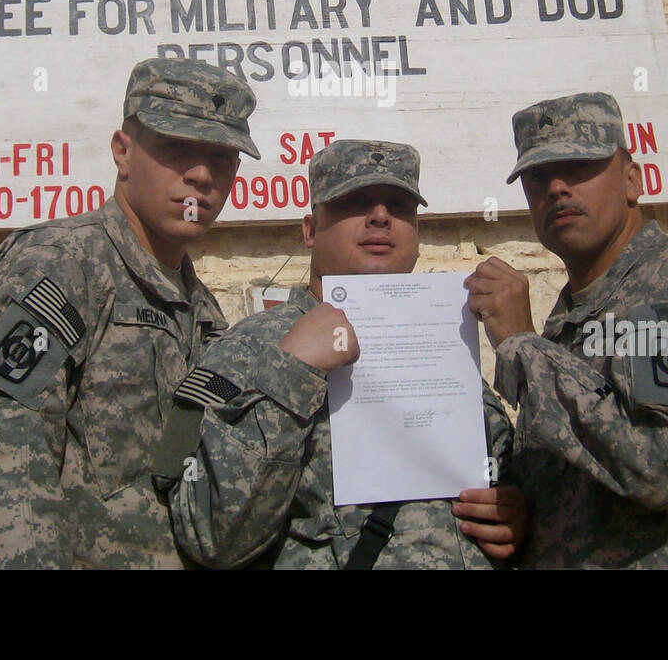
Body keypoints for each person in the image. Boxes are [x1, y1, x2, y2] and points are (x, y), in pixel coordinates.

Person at [154, 138, 525, 569]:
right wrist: (291, 372)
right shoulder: (244, 350)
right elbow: (211, 538)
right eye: (356, 202)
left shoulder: (449, 349)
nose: (381, 217)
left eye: (400, 207)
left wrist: (514, 511)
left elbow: (506, 477)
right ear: (310, 230)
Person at [0, 57, 258, 568]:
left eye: (222, 157)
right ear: (123, 151)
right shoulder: (63, 266)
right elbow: (5, 472)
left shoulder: (201, 309)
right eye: (177, 148)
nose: (201, 175)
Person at [464, 92, 668, 568]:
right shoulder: (568, 324)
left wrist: (520, 345)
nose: (556, 188)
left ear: (632, 180)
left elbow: (663, 464)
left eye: (579, 167)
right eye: (537, 179)